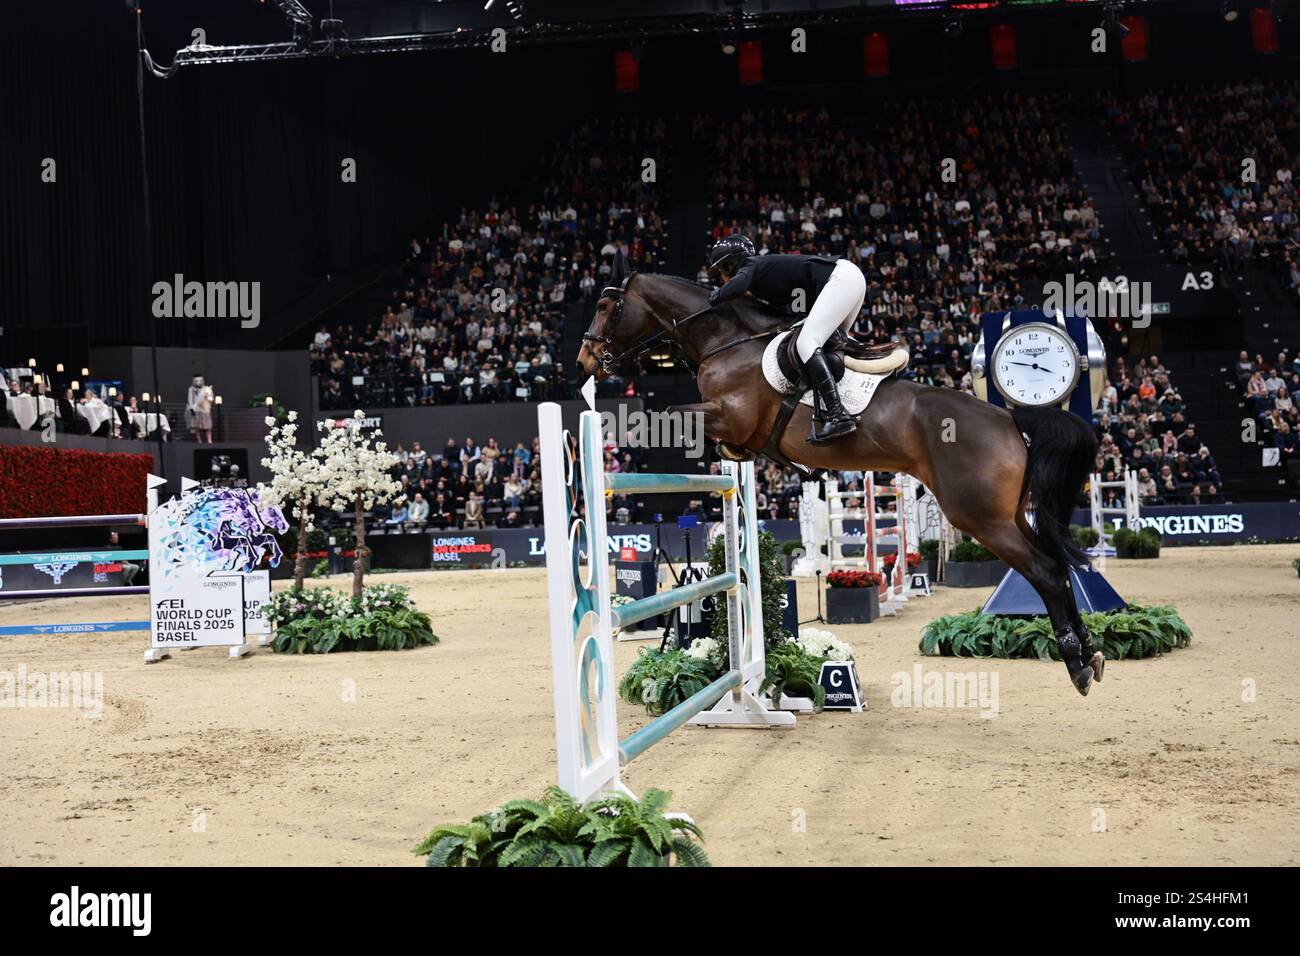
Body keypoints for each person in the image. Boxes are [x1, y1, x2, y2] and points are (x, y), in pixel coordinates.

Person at [706, 234, 863, 443]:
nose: (721, 279)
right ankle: (850, 405)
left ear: (729, 265)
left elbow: (737, 287)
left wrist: (711, 297)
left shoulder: (750, 265)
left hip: (840, 280)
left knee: (806, 343)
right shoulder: (766, 277)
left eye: (720, 272)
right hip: (847, 279)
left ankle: (838, 414)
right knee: (829, 346)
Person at [186, 375, 214, 443]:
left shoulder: (207, 389)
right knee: (196, 426)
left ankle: (209, 440)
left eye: (200, 380)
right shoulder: (191, 389)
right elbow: (190, 399)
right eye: (196, 381)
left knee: (207, 426)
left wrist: (207, 397)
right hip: (196, 410)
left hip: (205, 410)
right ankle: (199, 441)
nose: (198, 382)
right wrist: (191, 408)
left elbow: (211, 400)